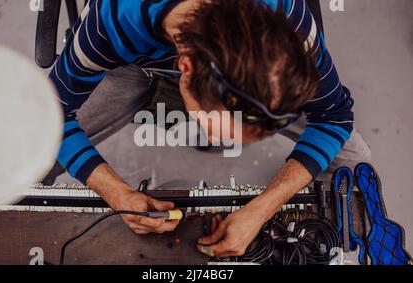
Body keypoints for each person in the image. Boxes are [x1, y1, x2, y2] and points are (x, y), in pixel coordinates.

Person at [47, 0, 371, 258]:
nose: (218, 145)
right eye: (216, 128)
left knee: (356, 160)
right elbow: (52, 115)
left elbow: (334, 118)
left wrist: (262, 208)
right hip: (134, 65)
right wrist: (113, 190)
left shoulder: (291, 28)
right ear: (184, 68)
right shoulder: (114, 19)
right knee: (32, 148)